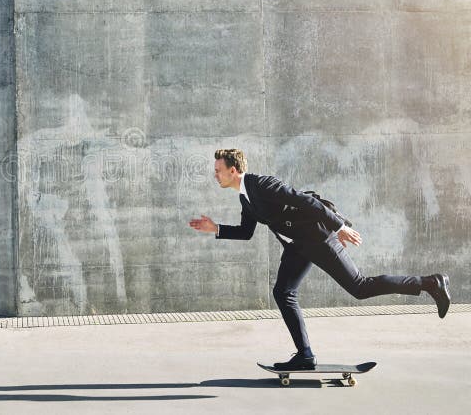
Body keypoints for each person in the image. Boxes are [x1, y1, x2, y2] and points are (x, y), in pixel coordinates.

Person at [189, 149, 451, 370]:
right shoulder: (245, 198)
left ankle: (430, 283)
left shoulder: (261, 184)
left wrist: (338, 227)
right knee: (283, 292)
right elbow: (246, 232)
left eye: (218, 170)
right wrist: (217, 229)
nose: (215, 174)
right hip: (298, 247)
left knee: (360, 287)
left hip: (317, 238)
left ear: (233, 170)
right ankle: (304, 355)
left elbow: (304, 201)